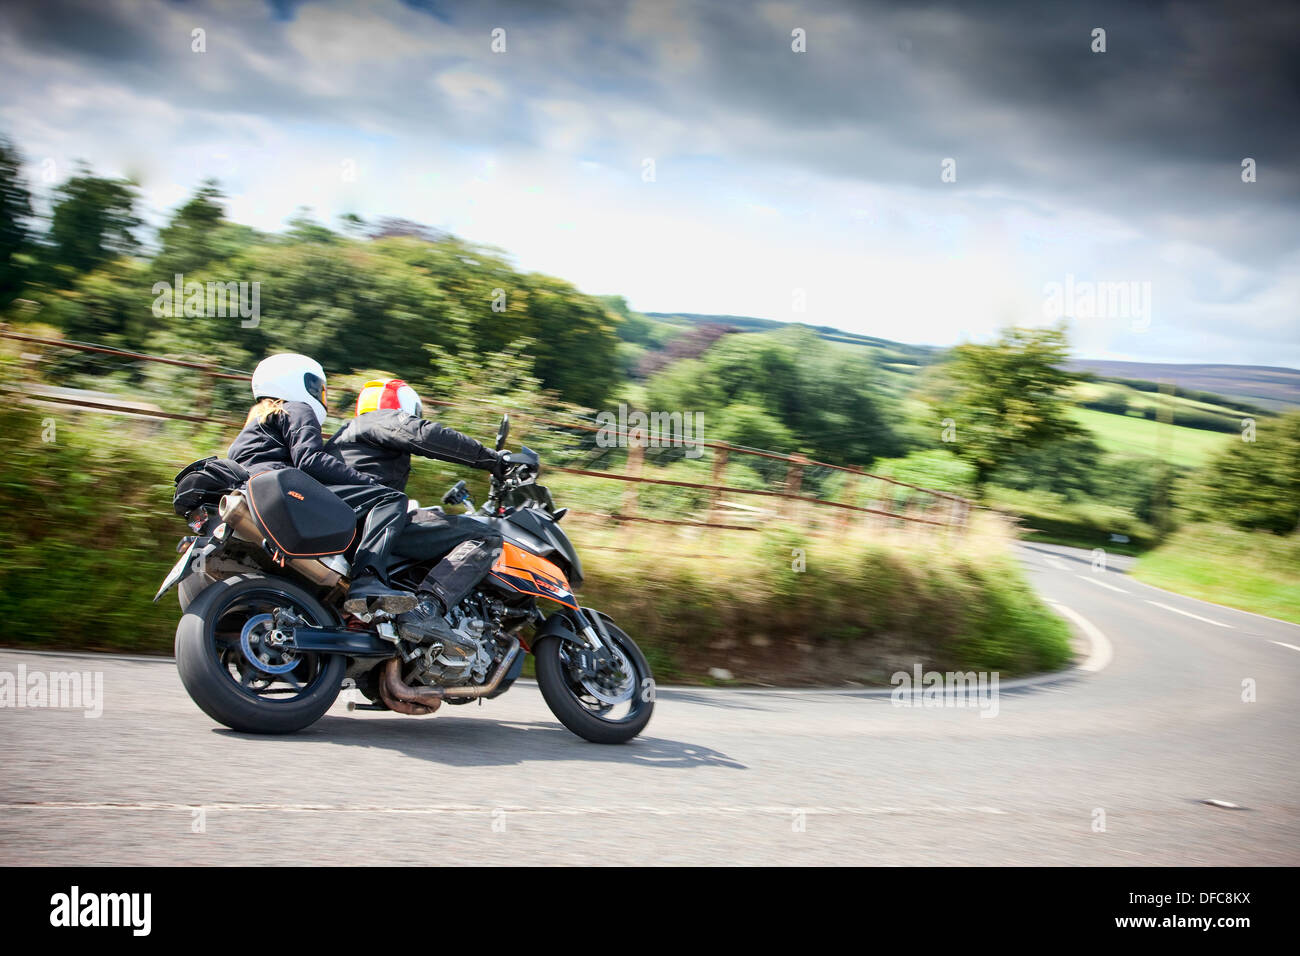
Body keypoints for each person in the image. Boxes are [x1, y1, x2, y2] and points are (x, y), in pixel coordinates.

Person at [227, 354, 414, 614]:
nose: (320, 395)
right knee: (390, 499)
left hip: (258, 496)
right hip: (281, 492)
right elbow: (310, 459)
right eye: (317, 387)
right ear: (294, 381)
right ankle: (368, 580)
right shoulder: (296, 408)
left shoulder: (254, 422)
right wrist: (366, 483)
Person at [329, 379, 507, 642]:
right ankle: (425, 610)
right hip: (371, 521)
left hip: (351, 523)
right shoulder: (380, 420)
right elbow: (425, 435)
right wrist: (492, 459)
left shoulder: (345, 436)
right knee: (486, 537)